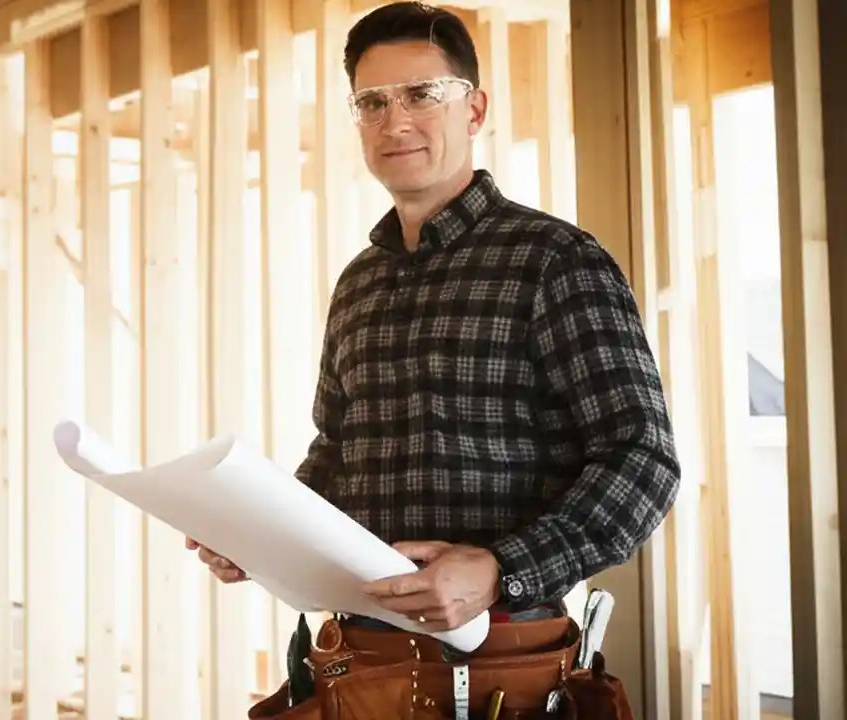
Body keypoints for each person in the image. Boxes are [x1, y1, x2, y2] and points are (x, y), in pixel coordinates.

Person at [186, 2, 679, 712]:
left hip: (503, 672)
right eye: (373, 102)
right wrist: (259, 536)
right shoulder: (360, 282)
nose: (397, 121)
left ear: (474, 109)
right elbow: (337, 453)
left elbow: (643, 457)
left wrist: (501, 569)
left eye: (423, 94)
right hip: (357, 667)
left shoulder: (554, 261)